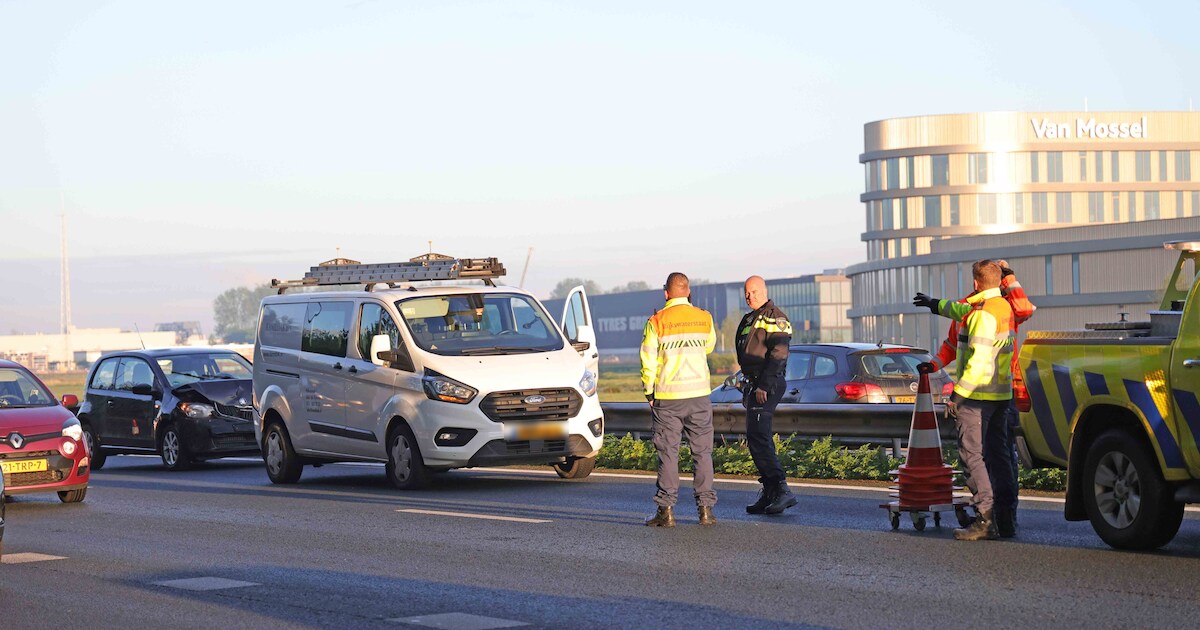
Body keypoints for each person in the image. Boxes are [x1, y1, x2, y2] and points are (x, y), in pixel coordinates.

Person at [914, 260, 1035, 538]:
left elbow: (978, 361)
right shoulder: (1003, 307)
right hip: (1001, 395)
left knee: (973, 457)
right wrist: (935, 304)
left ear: (975, 284)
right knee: (1000, 456)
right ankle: (1005, 518)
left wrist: (958, 393)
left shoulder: (982, 314)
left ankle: (985, 518)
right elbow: (960, 311)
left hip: (977, 395)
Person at [640, 272, 718, 527]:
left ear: (666, 293)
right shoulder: (704, 318)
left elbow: (648, 360)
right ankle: (705, 510)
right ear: (689, 291)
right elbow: (708, 347)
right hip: (699, 395)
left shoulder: (657, 321)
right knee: (702, 452)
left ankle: (666, 511)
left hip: (668, 397)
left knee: (668, 454)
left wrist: (649, 391)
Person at [735, 276, 798, 515]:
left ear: (764, 291)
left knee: (759, 437)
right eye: (746, 293)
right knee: (754, 438)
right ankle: (770, 491)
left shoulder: (775, 317)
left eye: (753, 292)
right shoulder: (750, 319)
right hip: (754, 384)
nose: (749, 297)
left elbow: (779, 353)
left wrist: (763, 385)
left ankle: (782, 490)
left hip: (767, 384)